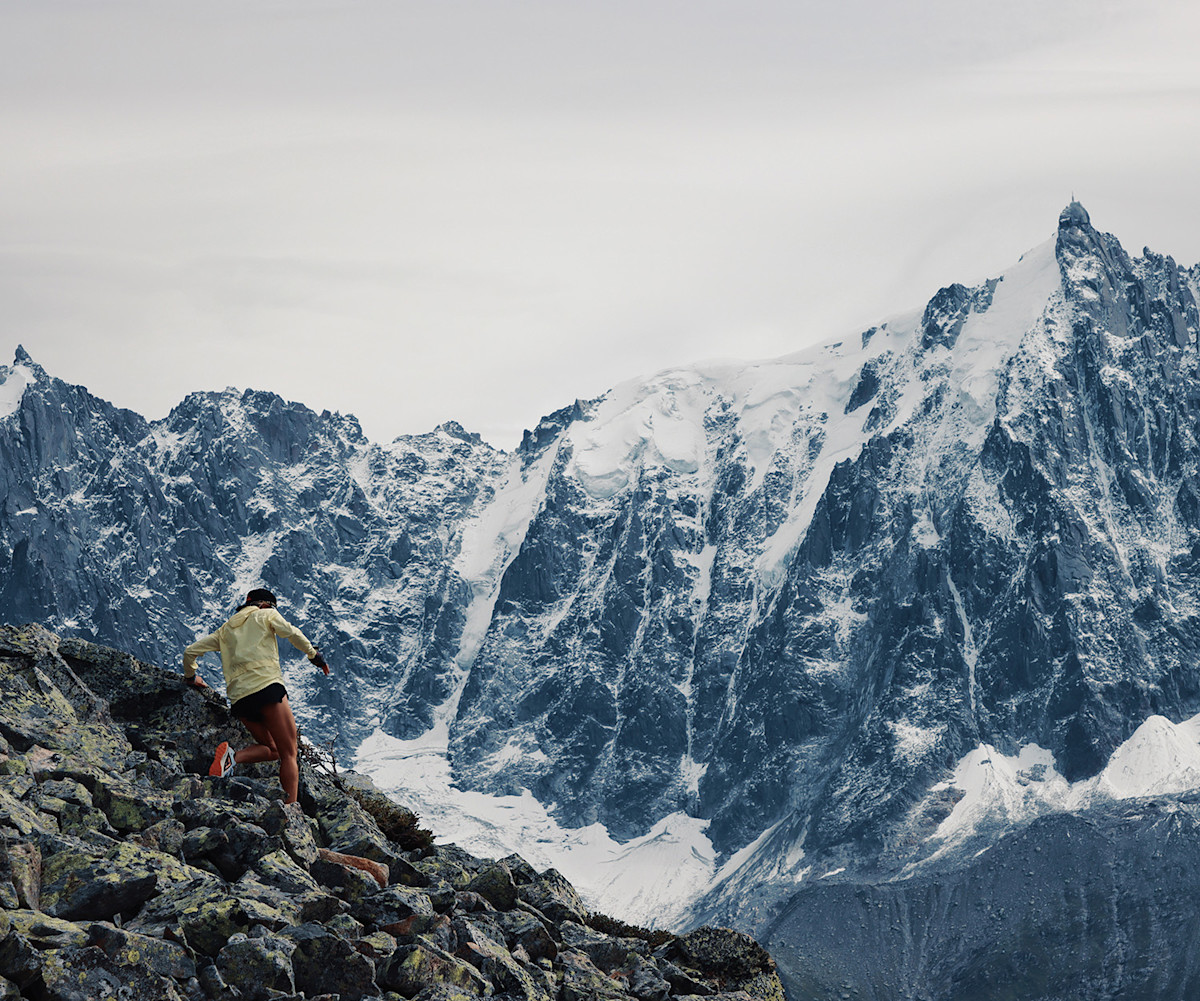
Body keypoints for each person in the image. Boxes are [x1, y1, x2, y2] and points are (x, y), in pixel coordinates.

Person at [183, 587, 329, 804]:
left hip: (241, 700)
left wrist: (191, 677)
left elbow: (189, 652)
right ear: (265, 604)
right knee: (290, 754)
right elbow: (292, 633)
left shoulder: (224, 631)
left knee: (273, 749)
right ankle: (291, 812)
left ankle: (232, 757)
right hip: (267, 688)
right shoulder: (267, 614)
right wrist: (313, 655)